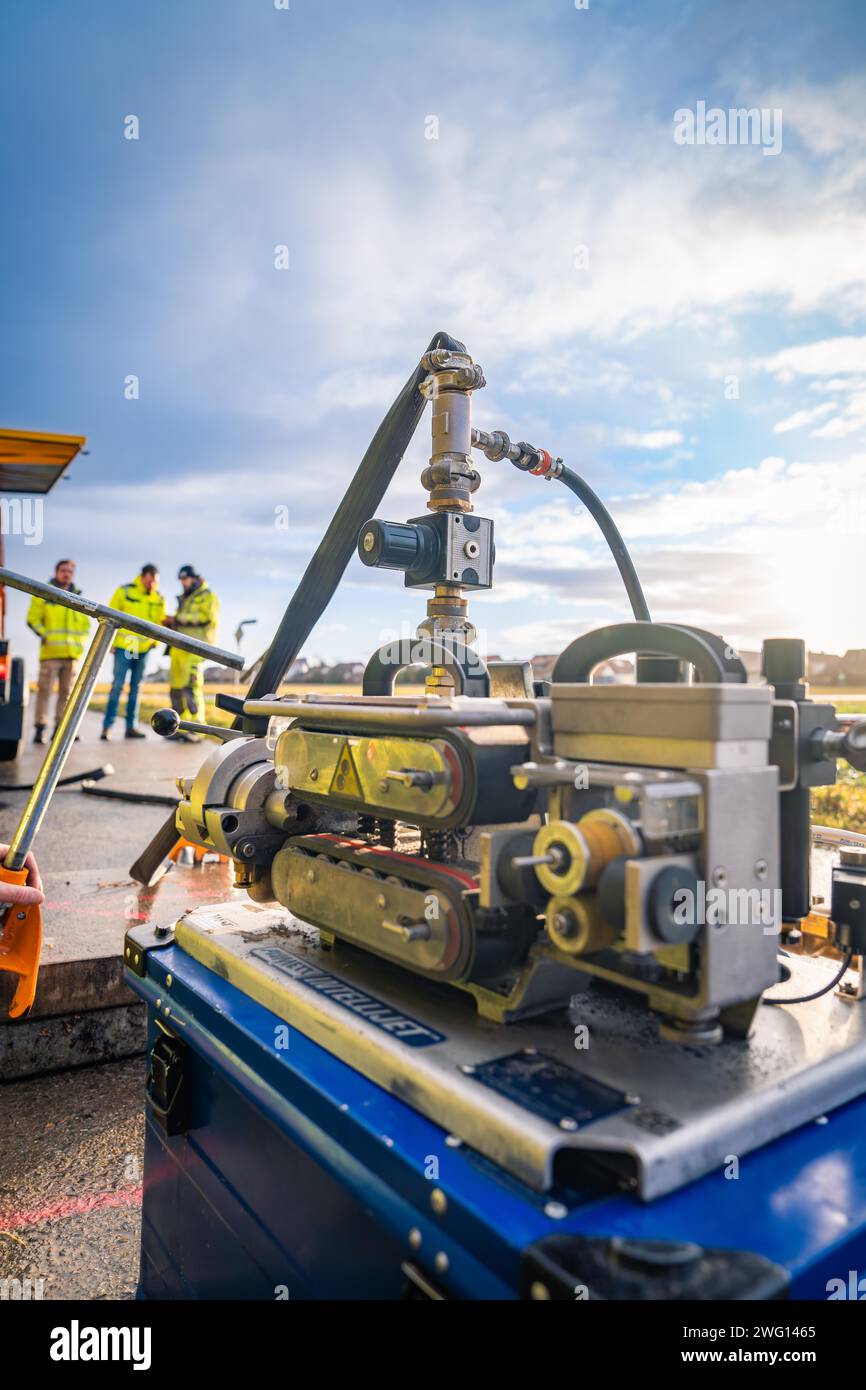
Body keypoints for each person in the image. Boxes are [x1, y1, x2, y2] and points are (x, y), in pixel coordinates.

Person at [26, 559, 90, 745]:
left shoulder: (79, 596)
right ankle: (40, 729)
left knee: (67, 694)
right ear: (56, 572)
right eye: (63, 570)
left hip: (72, 655)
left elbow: (85, 625)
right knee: (44, 692)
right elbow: (32, 618)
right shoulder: (44, 592)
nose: (66, 574)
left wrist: (80, 643)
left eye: (70, 571)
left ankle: (60, 730)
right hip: (50, 653)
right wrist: (46, 636)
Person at [101, 564, 166, 741]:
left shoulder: (159, 598)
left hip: (144, 649)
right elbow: (110, 615)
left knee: (136, 688)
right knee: (117, 686)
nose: (152, 583)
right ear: (143, 576)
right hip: (124, 646)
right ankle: (107, 727)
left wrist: (155, 643)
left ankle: (131, 727)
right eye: (150, 579)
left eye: (155, 581)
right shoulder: (125, 591)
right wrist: (110, 643)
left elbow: (160, 623)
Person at [163, 565, 219, 740]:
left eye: (185, 579)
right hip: (178, 647)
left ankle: (197, 729)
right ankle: (179, 727)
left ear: (195, 578)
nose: (183, 583)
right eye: (181, 580)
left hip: (195, 648)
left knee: (191, 687)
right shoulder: (186, 598)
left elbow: (205, 618)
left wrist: (177, 619)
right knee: (176, 689)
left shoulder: (208, 595)